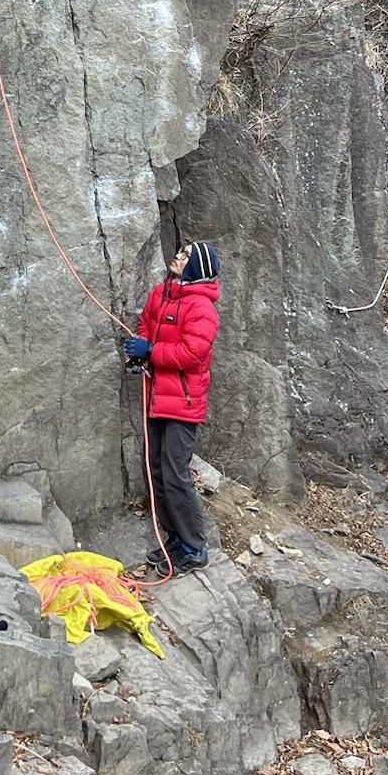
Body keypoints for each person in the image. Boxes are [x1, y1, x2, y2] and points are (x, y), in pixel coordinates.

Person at [123, 240, 221, 573]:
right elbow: (146, 325)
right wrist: (138, 350)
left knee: (176, 474)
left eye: (186, 255)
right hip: (156, 396)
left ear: (198, 268)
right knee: (157, 471)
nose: (177, 257)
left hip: (182, 401)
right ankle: (176, 539)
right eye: (179, 252)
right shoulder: (162, 293)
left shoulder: (203, 309)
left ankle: (195, 546)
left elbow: (192, 354)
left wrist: (149, 351)